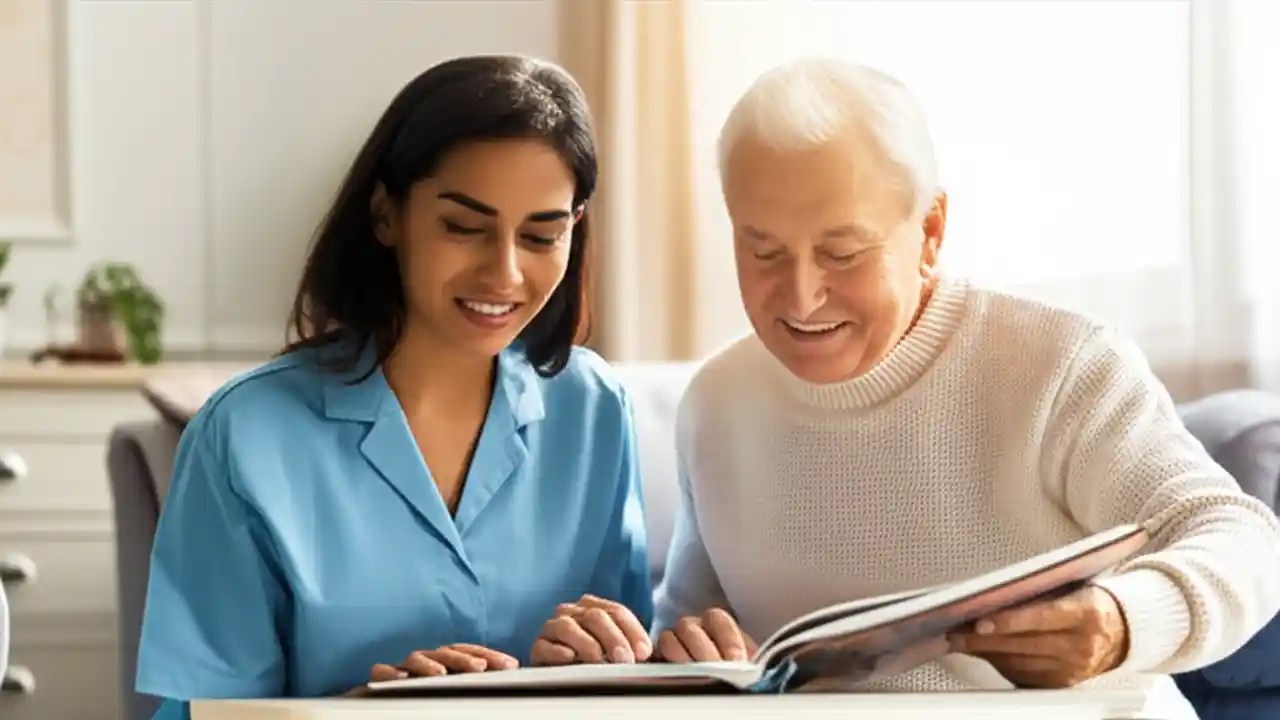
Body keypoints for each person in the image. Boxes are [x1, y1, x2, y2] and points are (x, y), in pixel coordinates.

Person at [651, 56, 1280, 694]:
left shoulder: (1059, 365)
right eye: (764, 251)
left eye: (842, 253)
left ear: (929, 232)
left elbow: (1244, 537)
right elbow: (684, 630)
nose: (801, 295)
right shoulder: (717, 404)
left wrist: (1122, 622)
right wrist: (686, 652)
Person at [135, 55, 654, 720]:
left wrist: (599, 657)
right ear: (387, 215)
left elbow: (632, 679)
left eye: (541, 235)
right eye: (464, 227)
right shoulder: (246, 435)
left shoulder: (595, 412)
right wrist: (361, 711)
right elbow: (200, 711)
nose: (505, 273)